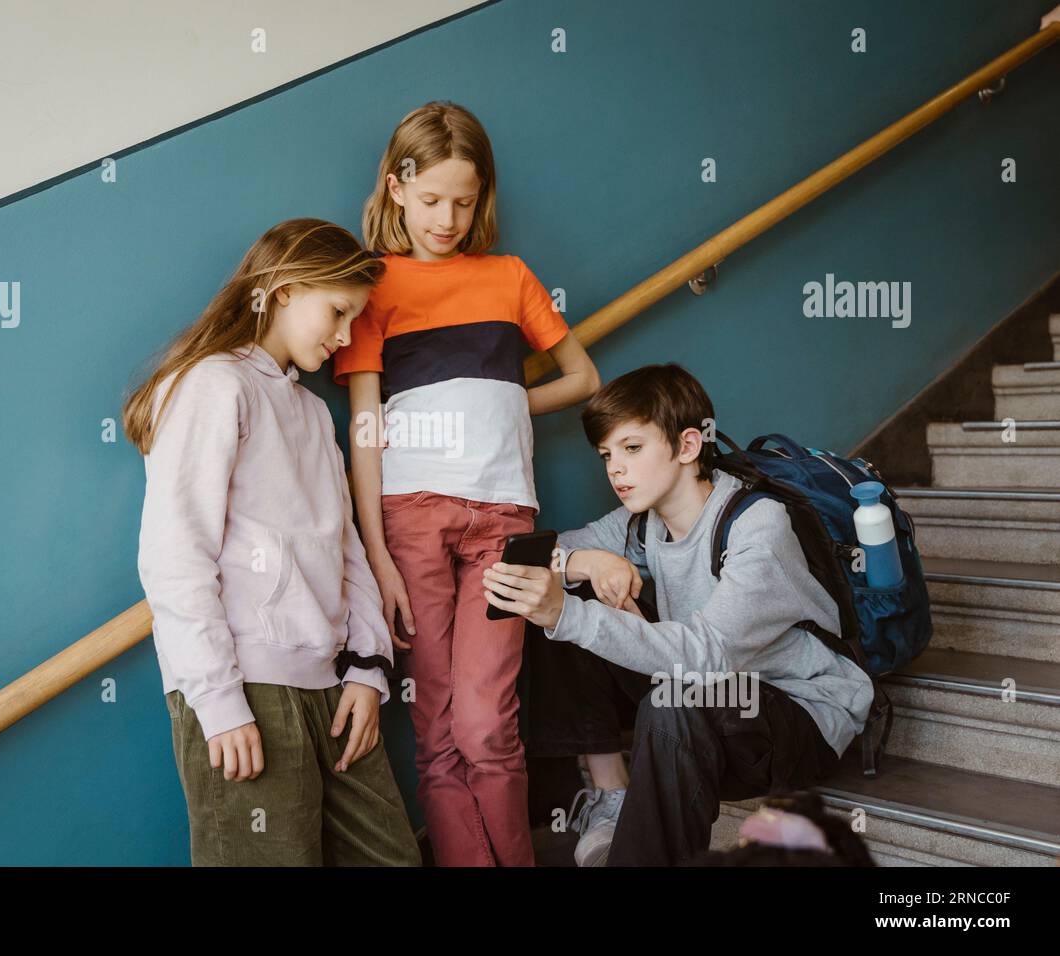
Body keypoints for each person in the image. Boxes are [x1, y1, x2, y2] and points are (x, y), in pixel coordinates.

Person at [332, 101, 600, 865]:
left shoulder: (509, 276)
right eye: (429, 200)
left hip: (504, 518)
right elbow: (363, 426)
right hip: (410, 516)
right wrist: (376, 552)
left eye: (465, 199)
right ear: (395, 189)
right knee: (437, 726)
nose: (447, 218)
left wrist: (508, 398)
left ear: (483, 196)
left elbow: (583, 377)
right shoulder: (373, 285)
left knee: (489, 722)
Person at [482, 363, 874, 866]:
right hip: (708, 698)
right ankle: (612, 797)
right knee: (551, 601)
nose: (615, 470)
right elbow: (528, 561)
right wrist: (586, 563)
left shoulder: (758, 525)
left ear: (688, 447)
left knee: (667, 698)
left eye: (632, 448)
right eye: (606, 455)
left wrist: (568, 610)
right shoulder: (641, 522)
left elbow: (706, 655)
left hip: (798, 713)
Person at [125, 218, 421, 866]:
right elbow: (175, 552)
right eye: (338, 312)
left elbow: (347, 550)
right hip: (246, 685)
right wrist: (219, 700)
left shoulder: (314, 413)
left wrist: (369, 670)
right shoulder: (212, 384)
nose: (345, 337)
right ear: (285, 288)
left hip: (331, 688)